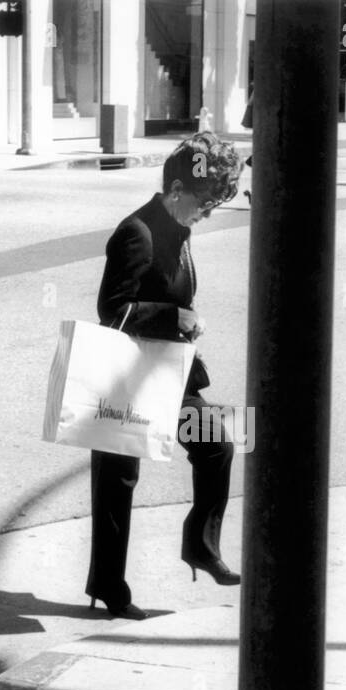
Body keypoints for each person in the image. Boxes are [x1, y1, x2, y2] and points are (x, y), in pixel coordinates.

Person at [86, 132, 244, 620]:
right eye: (204, 203)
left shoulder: (179, 228)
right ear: (176, 190)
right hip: (130, 376)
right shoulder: (138, 231)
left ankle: (199, 544)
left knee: (216, 443)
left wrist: (186, 321)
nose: (208, 213)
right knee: (118, 479)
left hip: (172, 373)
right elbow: (111, 308)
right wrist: (173, 318)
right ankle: (109, 586)